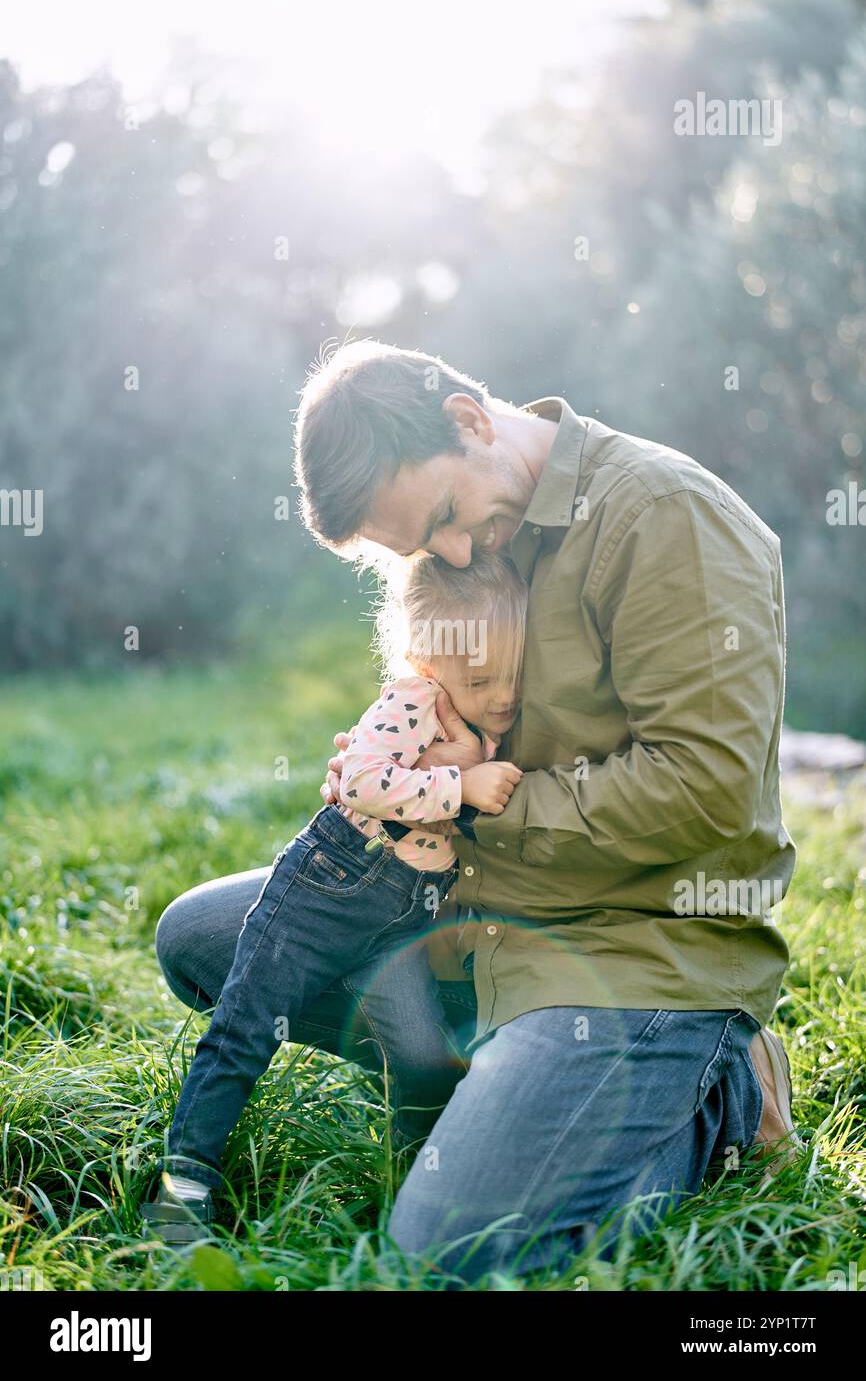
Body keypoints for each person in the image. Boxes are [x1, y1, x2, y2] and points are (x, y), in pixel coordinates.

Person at [156, 337, 800, 1279]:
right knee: (203, 937)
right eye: (426, 546)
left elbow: (707, 787)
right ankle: (490, 1089)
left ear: (468, 418)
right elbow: (447, 709)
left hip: (630, 950)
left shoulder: (668, 518)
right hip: (469, 913)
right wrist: (401, 765)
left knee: (445, 1252)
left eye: (450, 516)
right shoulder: (476, 538)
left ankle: (720, 1096)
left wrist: (470, 808)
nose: (458, 551)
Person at [142, 551, 526, 1243]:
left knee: (418, 1055)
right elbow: (359, 782)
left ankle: (418, 1191)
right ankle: (183, 1188)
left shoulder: (490, 715)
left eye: (512, 674)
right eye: (481, 679)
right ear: (428, 665)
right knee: (244, 1023)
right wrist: (458, 790)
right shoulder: (414, 701)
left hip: (404, 916)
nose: (502, 693)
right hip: (331, 887)